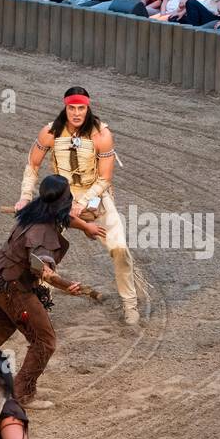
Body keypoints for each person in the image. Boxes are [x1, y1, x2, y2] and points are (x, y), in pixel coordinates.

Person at [16, 89, 139, 327]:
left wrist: (82, 202)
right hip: (59, 196)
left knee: (120, 249)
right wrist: (24, 196)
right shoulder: (50, 132)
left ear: (87, 108)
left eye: (81, 108)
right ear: (65, 107)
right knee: (40, 254)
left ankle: (130, 305)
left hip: (95, 196)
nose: (76, 113)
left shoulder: (101, 135)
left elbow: (104, 178)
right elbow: (32, 165)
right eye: (72, 108)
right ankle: (41, 305)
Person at [0, 174, 87, 408]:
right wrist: (67, 286)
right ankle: (22, 395)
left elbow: (63, 219)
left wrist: (86, 225)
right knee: (44, 340)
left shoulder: (34, 211)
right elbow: (43, 271)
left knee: (0, 328)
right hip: (14, 288)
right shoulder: (44, 232)